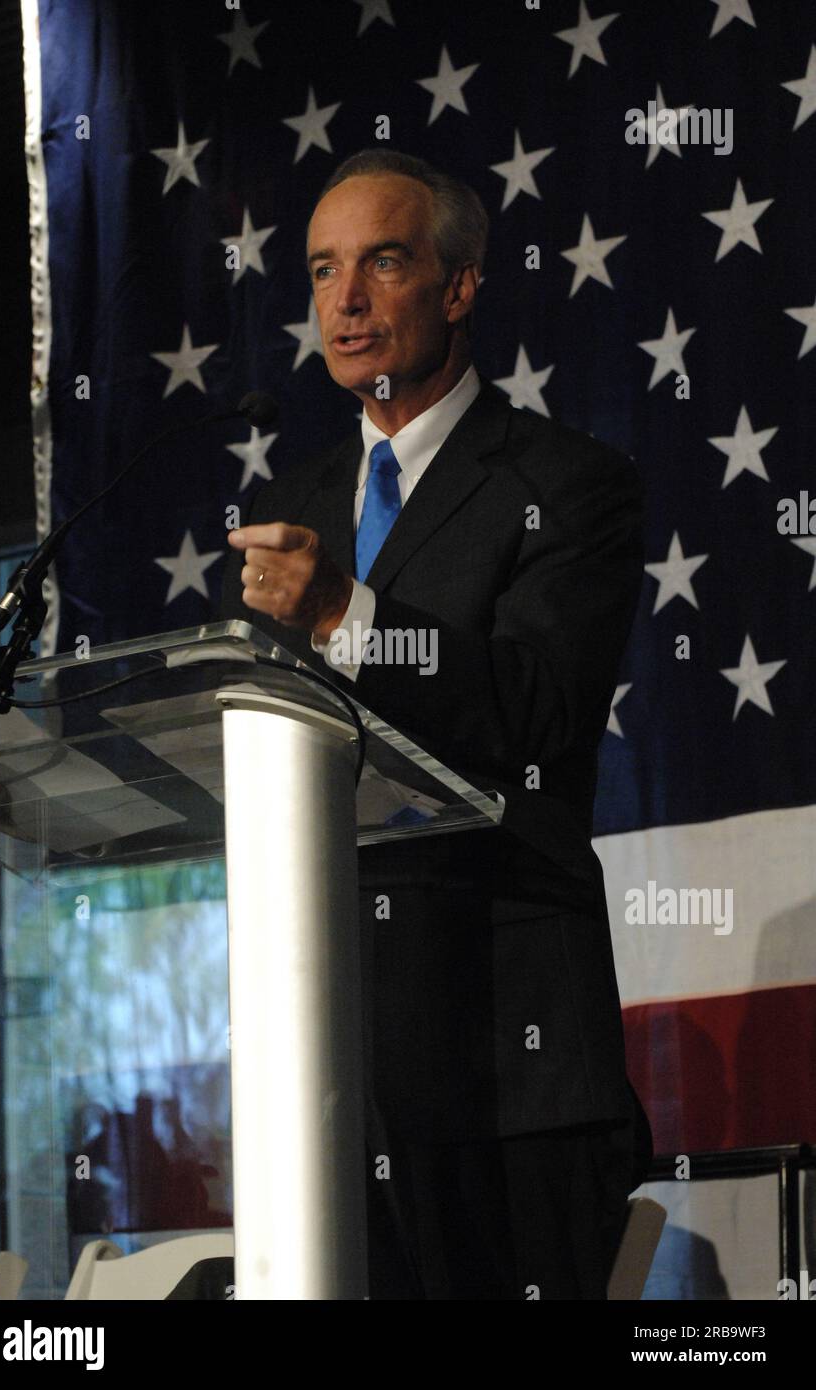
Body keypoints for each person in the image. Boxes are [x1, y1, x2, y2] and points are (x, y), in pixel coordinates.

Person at [218, 148, 652, 1300]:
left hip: (502, 1061)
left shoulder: (565, 480)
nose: (343, 302)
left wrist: (343, 614)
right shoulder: (299, 507)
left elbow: (538, 710)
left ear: (458, 286)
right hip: (325, 1069)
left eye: (382, 263)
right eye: (320, 272)